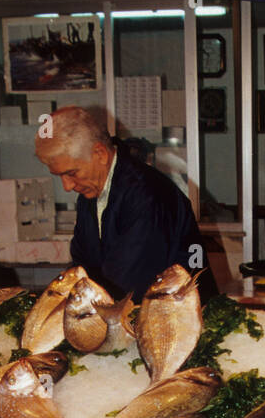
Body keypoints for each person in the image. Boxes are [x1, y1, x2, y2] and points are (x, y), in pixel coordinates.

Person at [34, 106, 217, 304]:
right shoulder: (92, 191)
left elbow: (126, 289)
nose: (67, 186)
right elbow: (81, 268)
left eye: (71, 173)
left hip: (178, 319)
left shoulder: (146, 194)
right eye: (59, 176)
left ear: (100, 154)